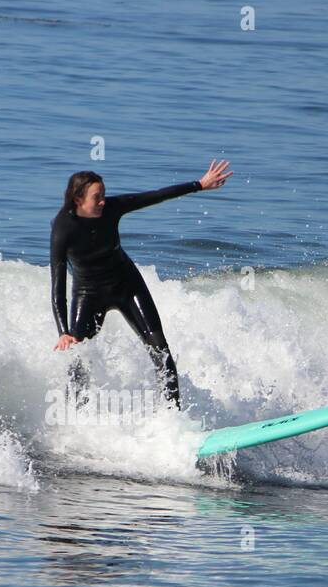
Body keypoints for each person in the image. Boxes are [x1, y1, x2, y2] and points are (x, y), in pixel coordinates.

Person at [50, 160, 233, 409]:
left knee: (161, 351)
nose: (103, 201)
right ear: (77, 199)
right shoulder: (62, 229)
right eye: (97, 197)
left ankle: (173, 415)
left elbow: (154, 196)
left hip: (127, 285)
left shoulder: (112, 208)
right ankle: (74, 415)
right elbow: (58, 284)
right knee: (79, 358)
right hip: (88, 294)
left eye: (103, 195)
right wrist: (63, 332)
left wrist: (199, 185)